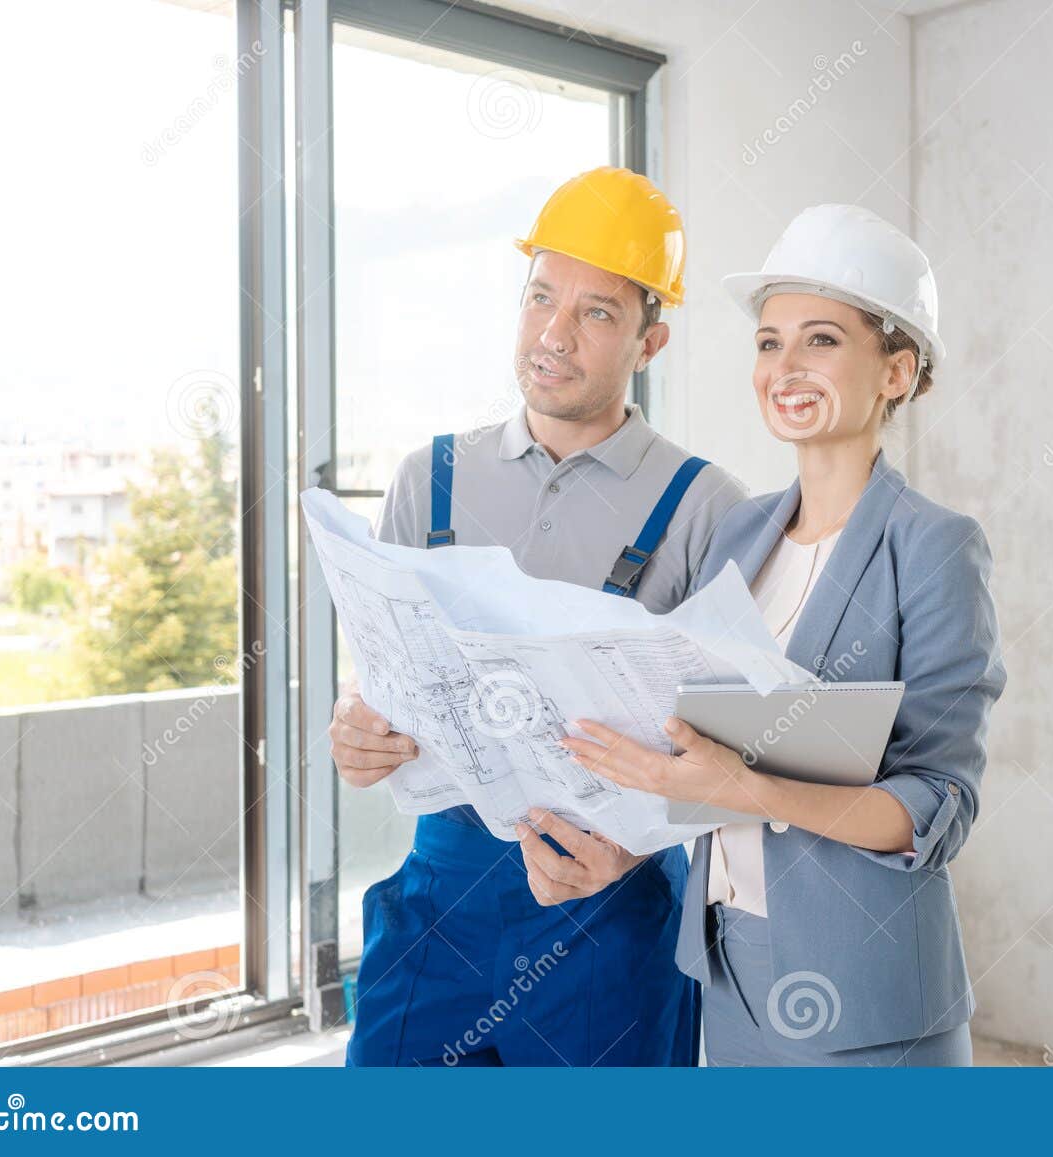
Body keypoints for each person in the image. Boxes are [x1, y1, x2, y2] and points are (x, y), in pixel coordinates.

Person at [558, 203, 1008, 1066]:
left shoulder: (935, 546)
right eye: (769, 342)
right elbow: (688, 733)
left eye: (823, 340)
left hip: (866, 990)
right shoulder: (738, 533)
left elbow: (939, 807)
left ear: (897, 370)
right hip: (725, 969)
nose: (786, 367)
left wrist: (749, 788)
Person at [334, 168, 746, 1067]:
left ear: (652, 339)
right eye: (540, 298)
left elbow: (742, 753)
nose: (554, 334)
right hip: (436, 894)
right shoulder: (427, 478)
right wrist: (356, 724)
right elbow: (380, 677)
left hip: (611, 905)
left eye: (598, 312)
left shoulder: (708, 506)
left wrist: (635, 855)